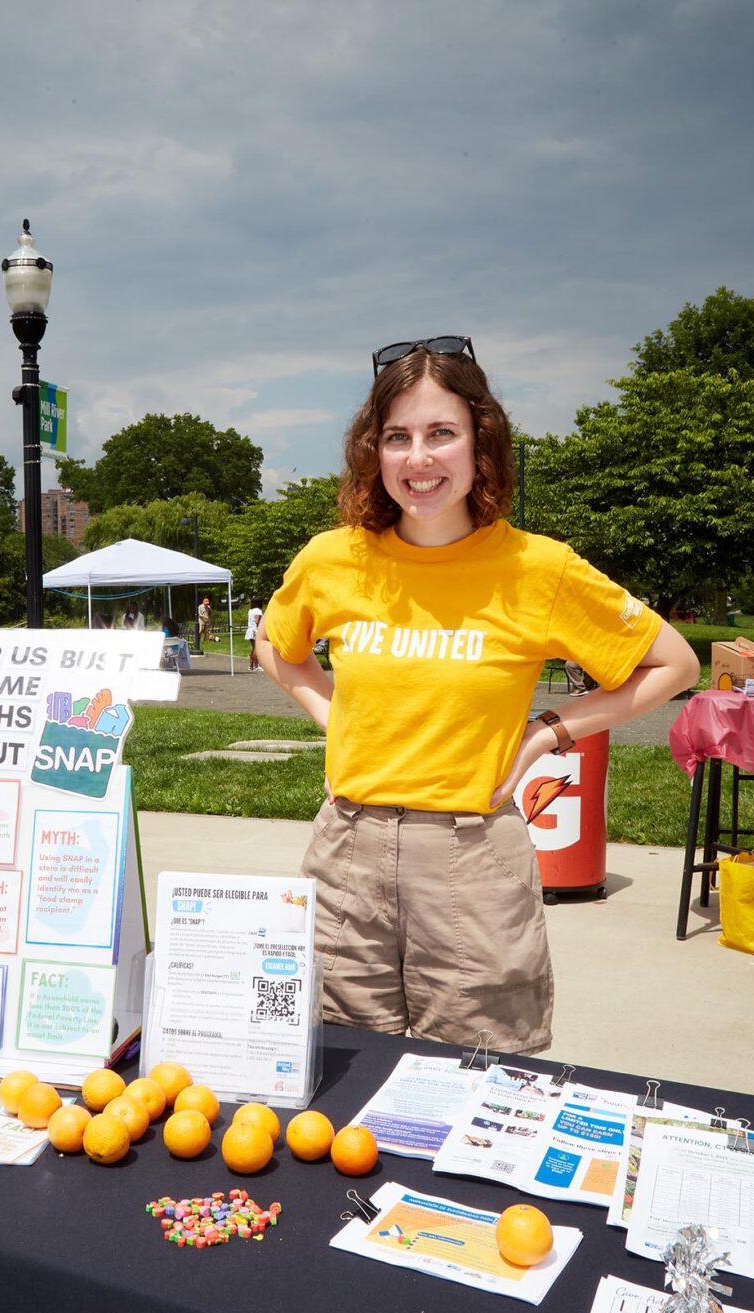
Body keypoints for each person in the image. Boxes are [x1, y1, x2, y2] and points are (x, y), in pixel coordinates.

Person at [256, 335, 698, 1053]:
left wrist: (544, 734)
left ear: (480, 443)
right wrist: (330, 715)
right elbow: (275, 647)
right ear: (373, 450)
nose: (418, 458)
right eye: (397, 436)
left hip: (472, 860)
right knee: (338, 1068)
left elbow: (673, 665)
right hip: (347, 856)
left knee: (475, 1079)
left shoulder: (535, 568)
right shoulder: (332, 557)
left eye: (441, 434)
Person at [245, 597, 264, 672]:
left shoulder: (250, 610)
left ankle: (251, 665)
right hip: (255, 630)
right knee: (256, 649)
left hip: (250, 630)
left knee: (253, 649)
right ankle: (257, 665)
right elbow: (257, 621)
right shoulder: (258, 611)